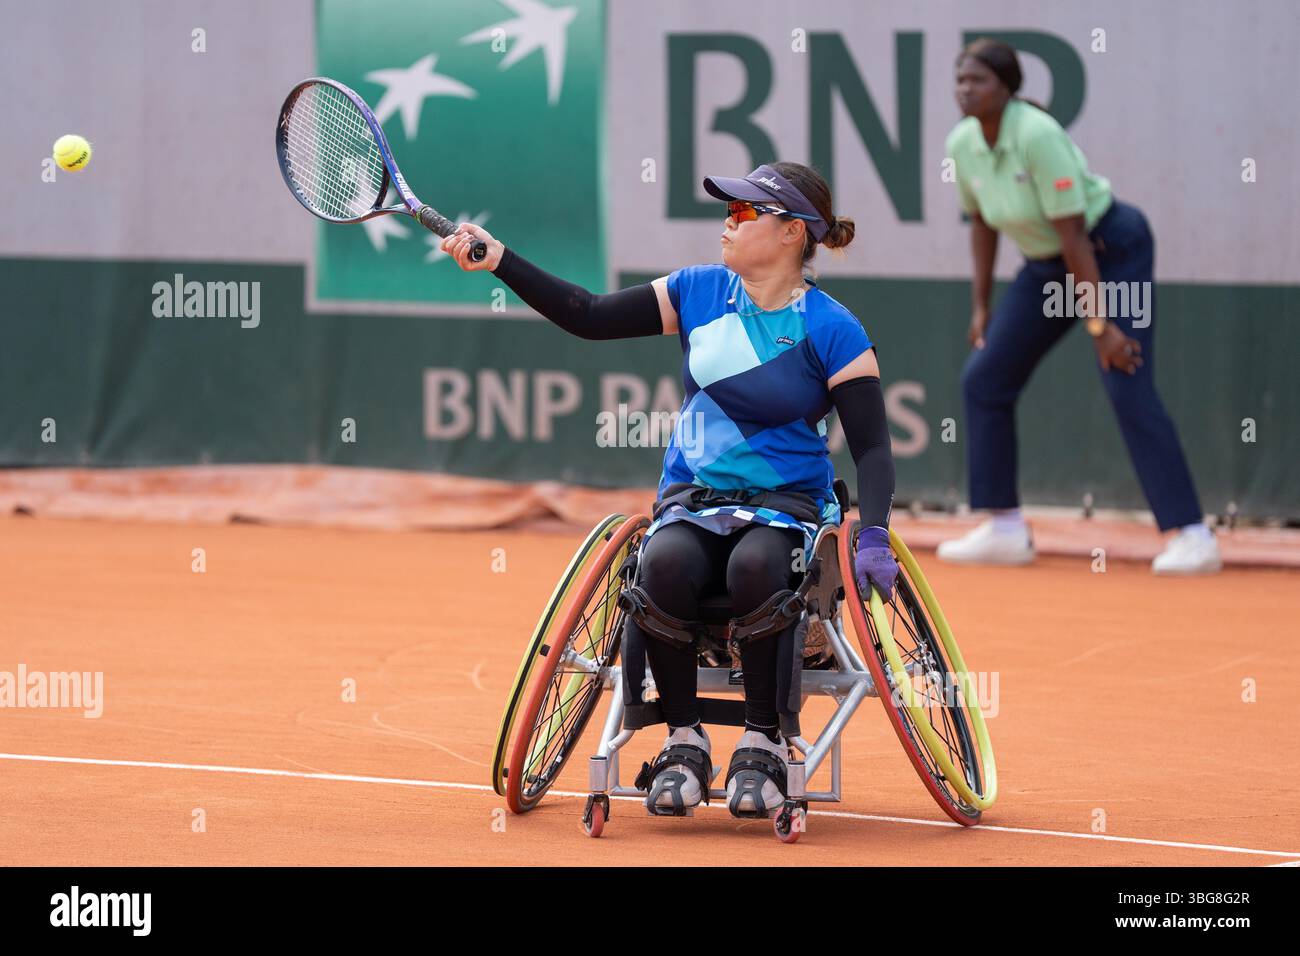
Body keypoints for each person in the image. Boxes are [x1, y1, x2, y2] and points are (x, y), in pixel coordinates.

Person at [442, 162, 898, 818]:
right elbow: (589, 316)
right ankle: (684, 739)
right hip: (695, 497)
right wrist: (501, 261)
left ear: (793, 232)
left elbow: (875, 448)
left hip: (787, 507)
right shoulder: (697, 291)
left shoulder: (833, 328)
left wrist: (875, 532)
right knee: (661, 564)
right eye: (729, 210)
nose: (727, 222)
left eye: (744, 213)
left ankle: (764, 742)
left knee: (757, 565)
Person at [940, 38, 1221, 574]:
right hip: (1049, 265)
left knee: (1125, 377)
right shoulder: (961, 143)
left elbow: (1076, 238)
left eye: (978, 80)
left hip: (1109, 251)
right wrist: (981, 305)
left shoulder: (1038, 135)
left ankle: (1193, 534)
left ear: (1007, 88)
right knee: (985, 377)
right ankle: (1004, 527)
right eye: (960, 80)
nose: (965, 90)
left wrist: (1101, 326)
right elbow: (981, 222)